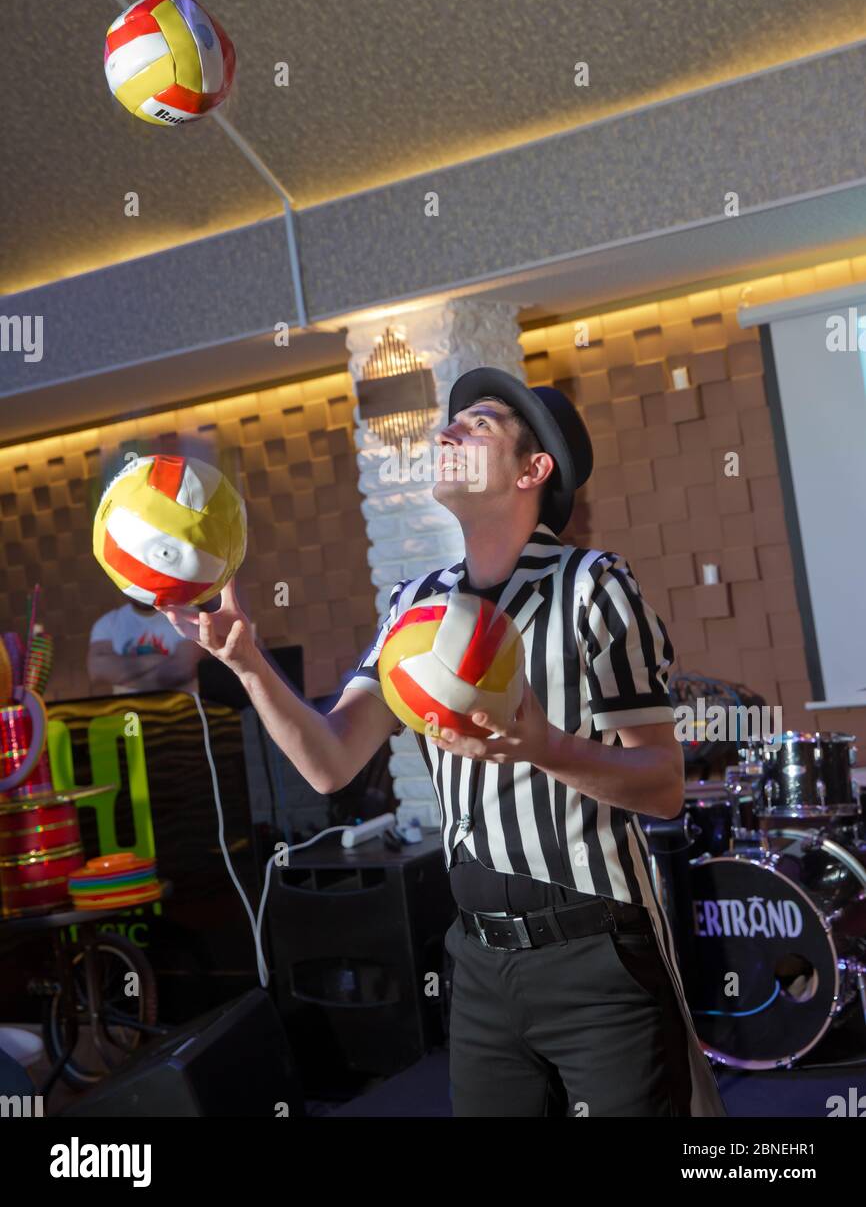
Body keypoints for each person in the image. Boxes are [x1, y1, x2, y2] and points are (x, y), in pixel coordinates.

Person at [160, 366, 726, 1118]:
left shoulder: (594, 585)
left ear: (535, 470)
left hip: (596, 953)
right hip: (478, 961)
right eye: (450, 423)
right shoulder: (414, 604)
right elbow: (330, 763)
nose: (447, 432)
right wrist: (248, 662)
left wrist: (542, 745)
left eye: (479, 423)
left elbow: (662, 784)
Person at [87, 594, 206, 696]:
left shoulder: (187, 613)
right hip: (130, 717)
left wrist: (124, 677)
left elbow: (182, 670)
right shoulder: (108, 623)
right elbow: (99, 675)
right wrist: (156, 659)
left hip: (181, 711)